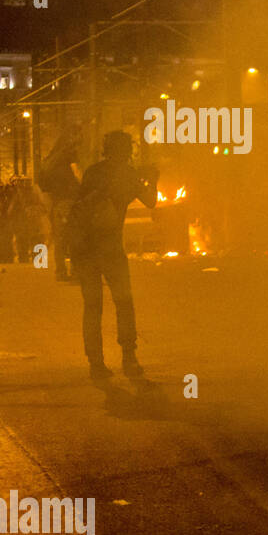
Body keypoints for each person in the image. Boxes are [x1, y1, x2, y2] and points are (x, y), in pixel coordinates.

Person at [70, 130, 158, 380]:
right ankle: (129, 358)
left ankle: (96, 363)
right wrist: (152, 179)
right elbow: (151, 201)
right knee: (123, 302)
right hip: (110, 248)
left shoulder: (93, 172)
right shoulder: (129, 175)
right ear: (126, 151)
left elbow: (79, 207)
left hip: (86, 250)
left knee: (92, 306)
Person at [38, 126, 83, 280]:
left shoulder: (50, 161)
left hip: (56, 203)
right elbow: (77, 178)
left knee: (60, 238)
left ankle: (61, 272)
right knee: (75, 238)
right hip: (68, 202)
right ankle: (76, 271)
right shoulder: (66, 160)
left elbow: (44, 186)